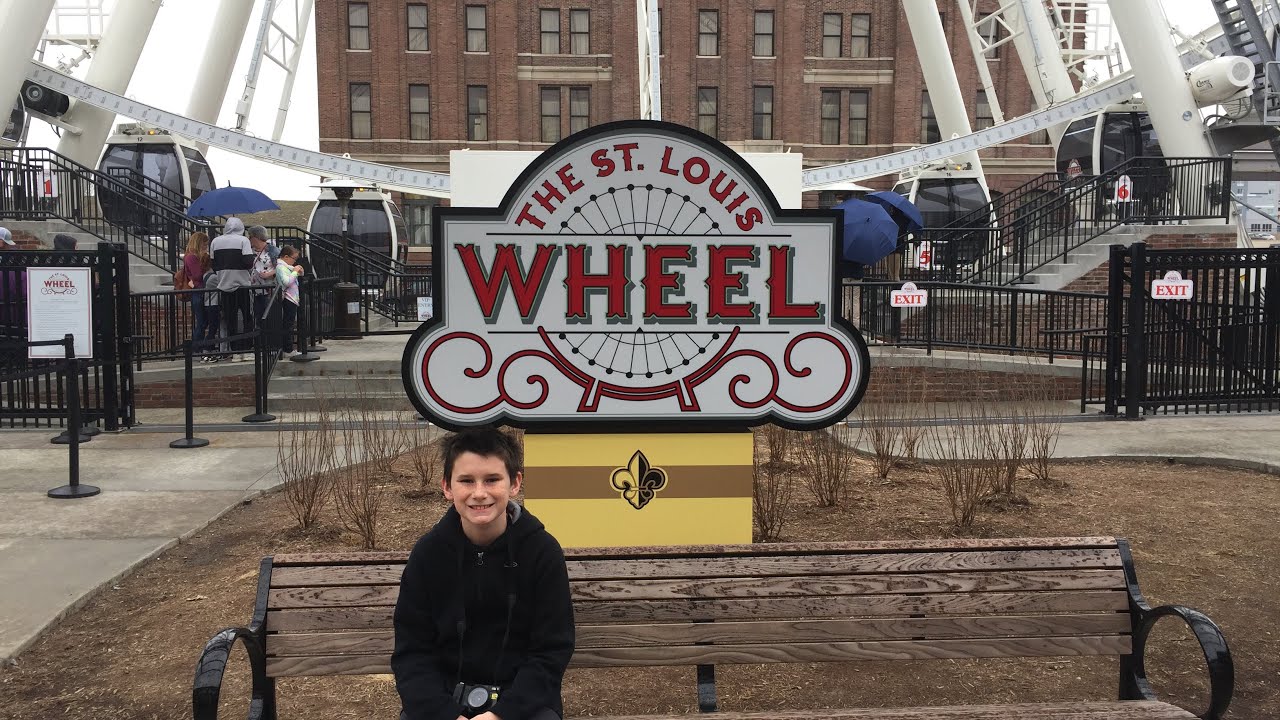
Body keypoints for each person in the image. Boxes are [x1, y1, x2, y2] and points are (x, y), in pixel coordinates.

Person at [393, 428, 574, 720]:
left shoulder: (542, 551)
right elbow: (412, 652)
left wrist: (500, 715)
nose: (479, 493)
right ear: (447, 487)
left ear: (515, 483)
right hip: (443, 704)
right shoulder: (428, 554)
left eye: (492, 479)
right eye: (466, 481)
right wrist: (446, 714)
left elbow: (550, 651)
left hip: (522, 705)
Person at [209, 217, 254, 361]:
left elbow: (213, 264)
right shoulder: (243, 241)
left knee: (230, 320)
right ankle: (247, 349)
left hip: (224, 285)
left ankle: (235, 351)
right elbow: (248, 262)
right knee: (248, 318)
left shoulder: (215, 241)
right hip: (242, 285)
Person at [274, 245, 305, 356]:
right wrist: (295, 271)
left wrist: (299, 271)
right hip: (288, 298)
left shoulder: (286, 267)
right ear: (286, 257)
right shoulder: (280, 267)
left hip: (292, 298)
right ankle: (287, 349)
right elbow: (286, 282)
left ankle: (288, 348)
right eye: (294, 258)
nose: (294, 261)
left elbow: (298, 274)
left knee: (289, 323)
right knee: (288, 324)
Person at [182, 231, 210, 349]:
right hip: (198, 291)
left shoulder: (192, 256)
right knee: (202, 321)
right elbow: (197, 275)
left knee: (203, 321)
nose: (206, 246)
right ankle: (196, 348)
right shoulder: (192, 257)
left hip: (199, 289)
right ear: (199, 243)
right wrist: (206, 266)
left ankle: (197, 347)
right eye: (204, 243)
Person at [248, 226, 280, 320]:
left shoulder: (273, 250)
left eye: (250, 236)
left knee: (269, 316)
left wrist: (268, 274)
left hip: (269, 289)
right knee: (258, 315)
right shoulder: (250, 251)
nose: (249, 239)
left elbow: (283, 267)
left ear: (256, 237)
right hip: (255, 290)